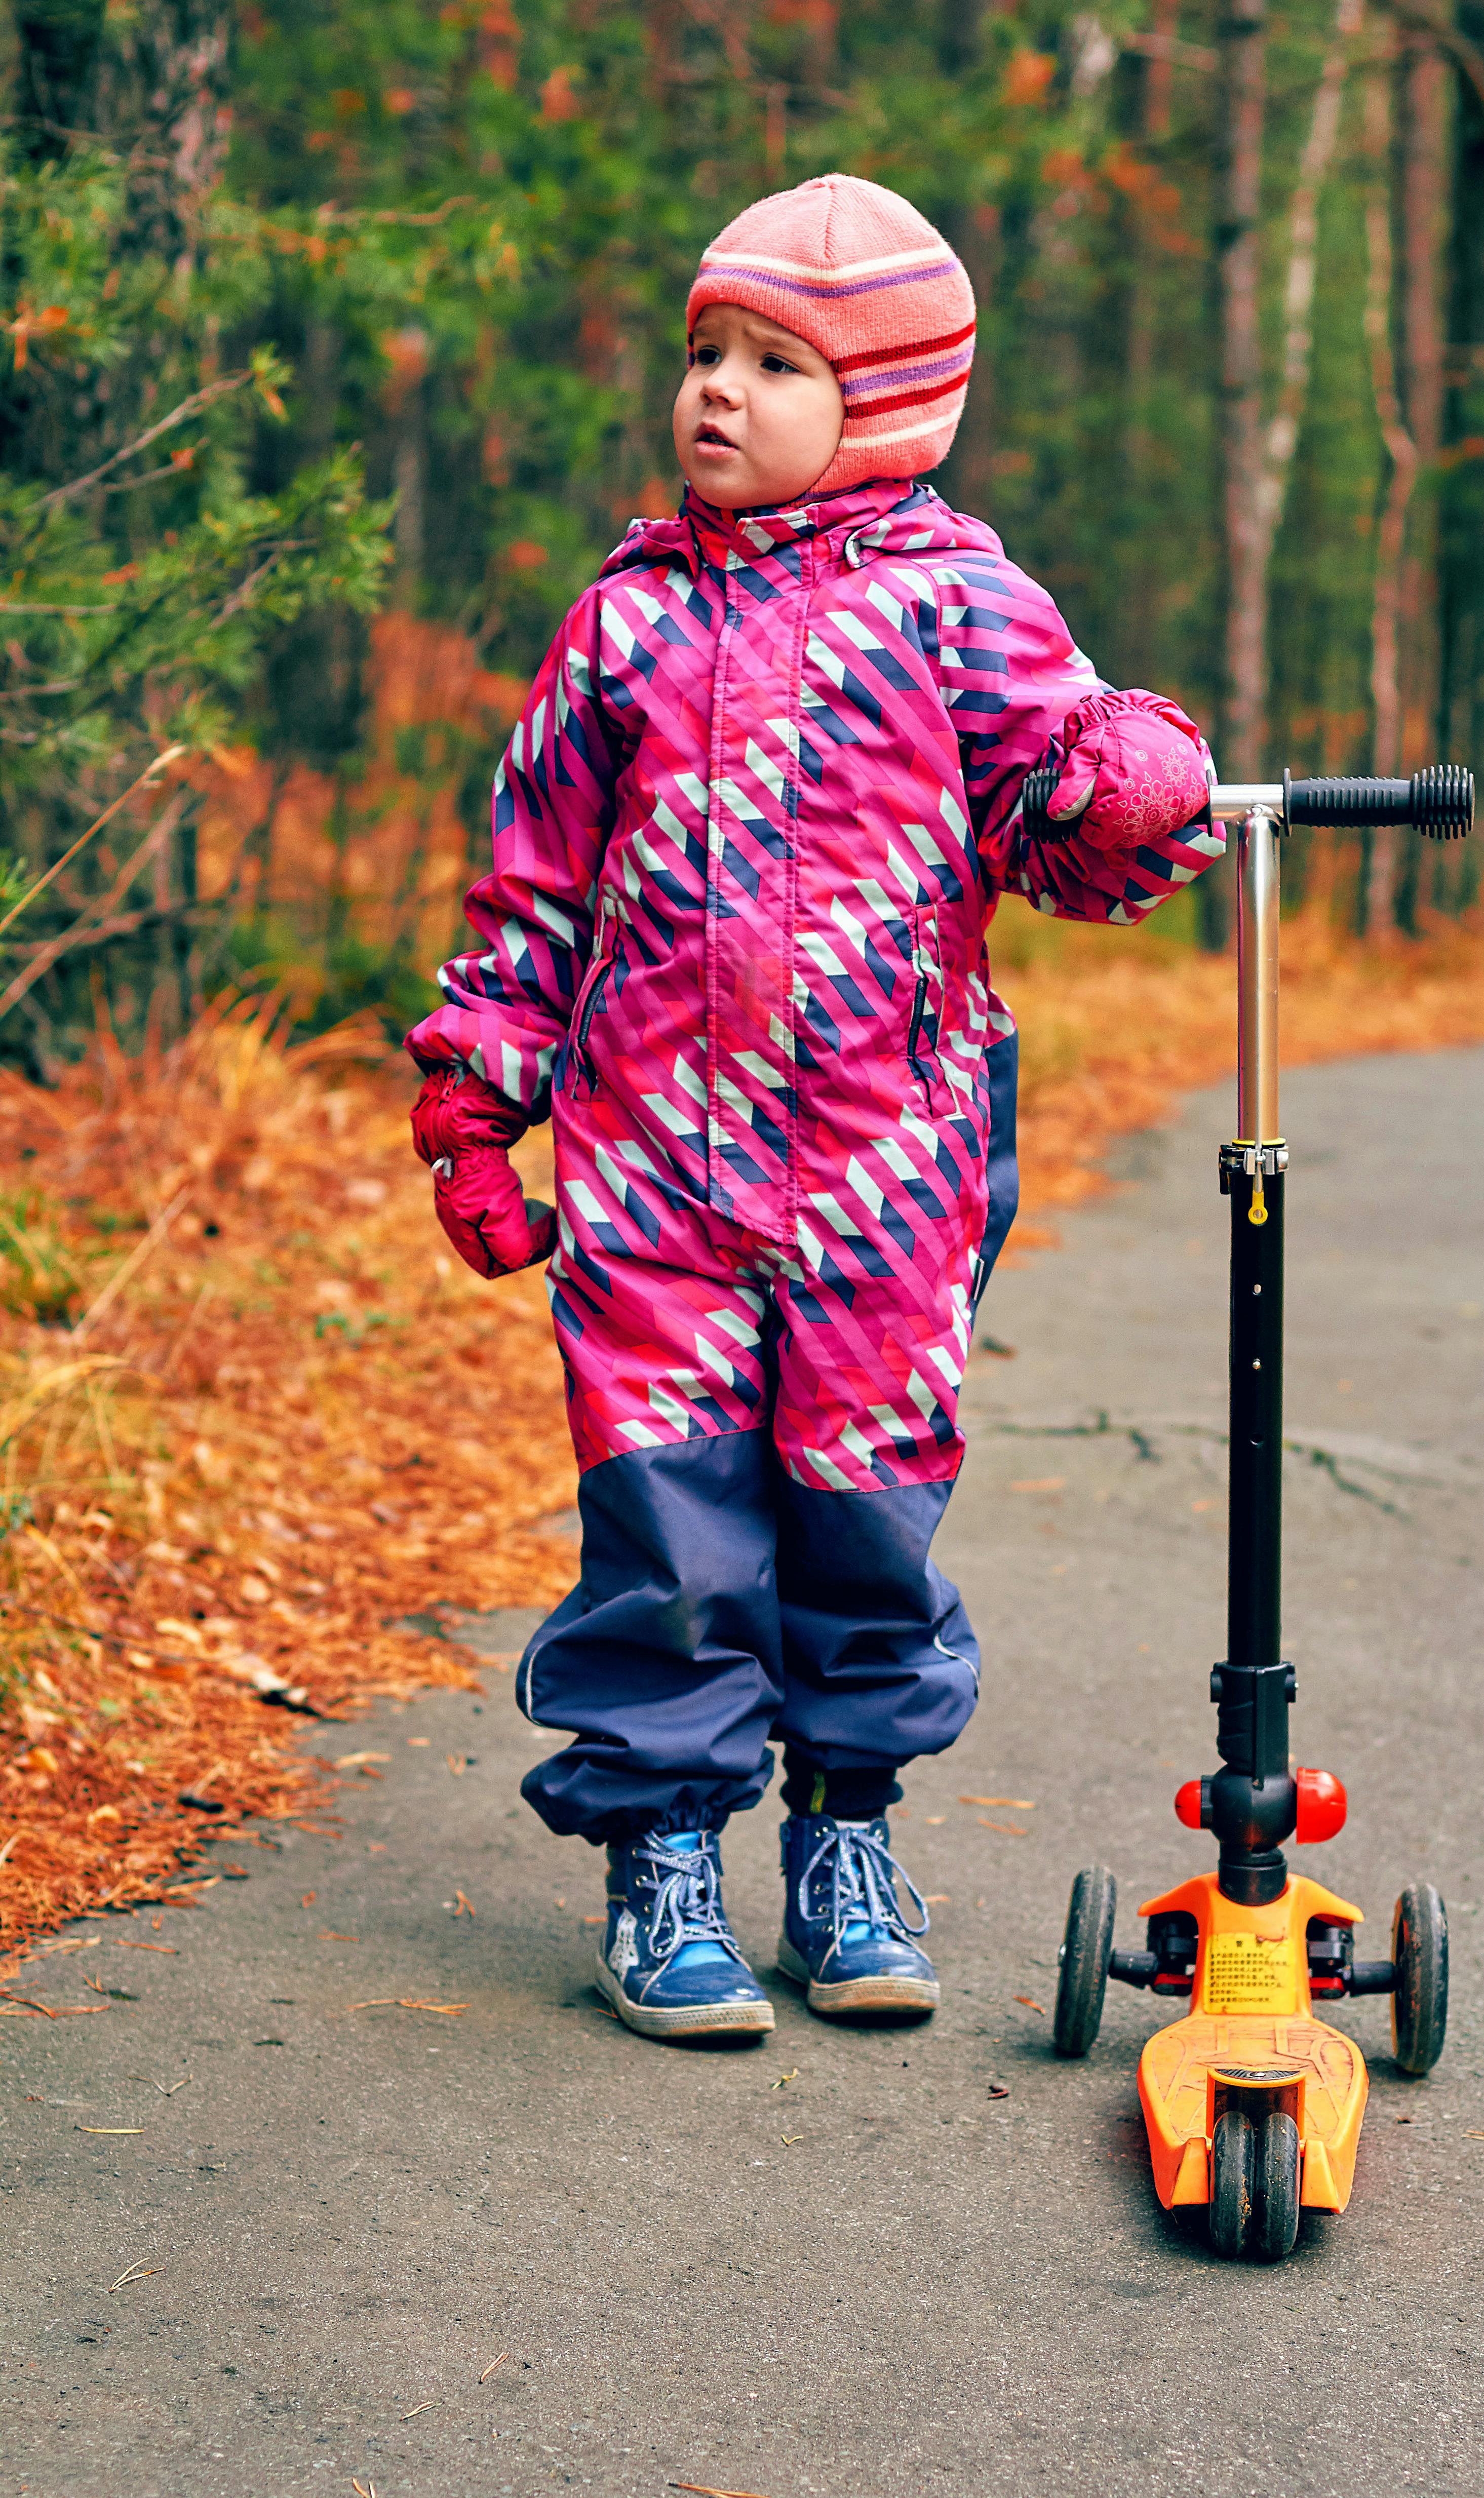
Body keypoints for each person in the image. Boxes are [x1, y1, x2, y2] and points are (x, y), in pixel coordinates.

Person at [406, 174, 1221, 2042]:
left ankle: (848, 1828)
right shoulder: (621, 626)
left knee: (865, 1515)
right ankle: (664, 1847)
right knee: (669, 1519)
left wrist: (1128, 783)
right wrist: (475, 1100)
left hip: (888, 1169)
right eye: (707, 350)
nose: (719, 390)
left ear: (891, 403)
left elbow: (1062, 826)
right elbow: (535, 888)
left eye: (777, 364)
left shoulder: (967, 610)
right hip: (652, 1168)